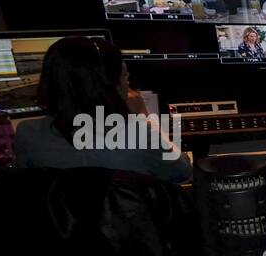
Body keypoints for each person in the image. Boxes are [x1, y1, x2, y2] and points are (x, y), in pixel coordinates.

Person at [13, 37, 191, 182]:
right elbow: (183, 173)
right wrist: (144, 118)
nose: (128, 83)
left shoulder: (27, 133)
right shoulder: (138, 136)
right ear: (108, 86)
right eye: (124, 76)